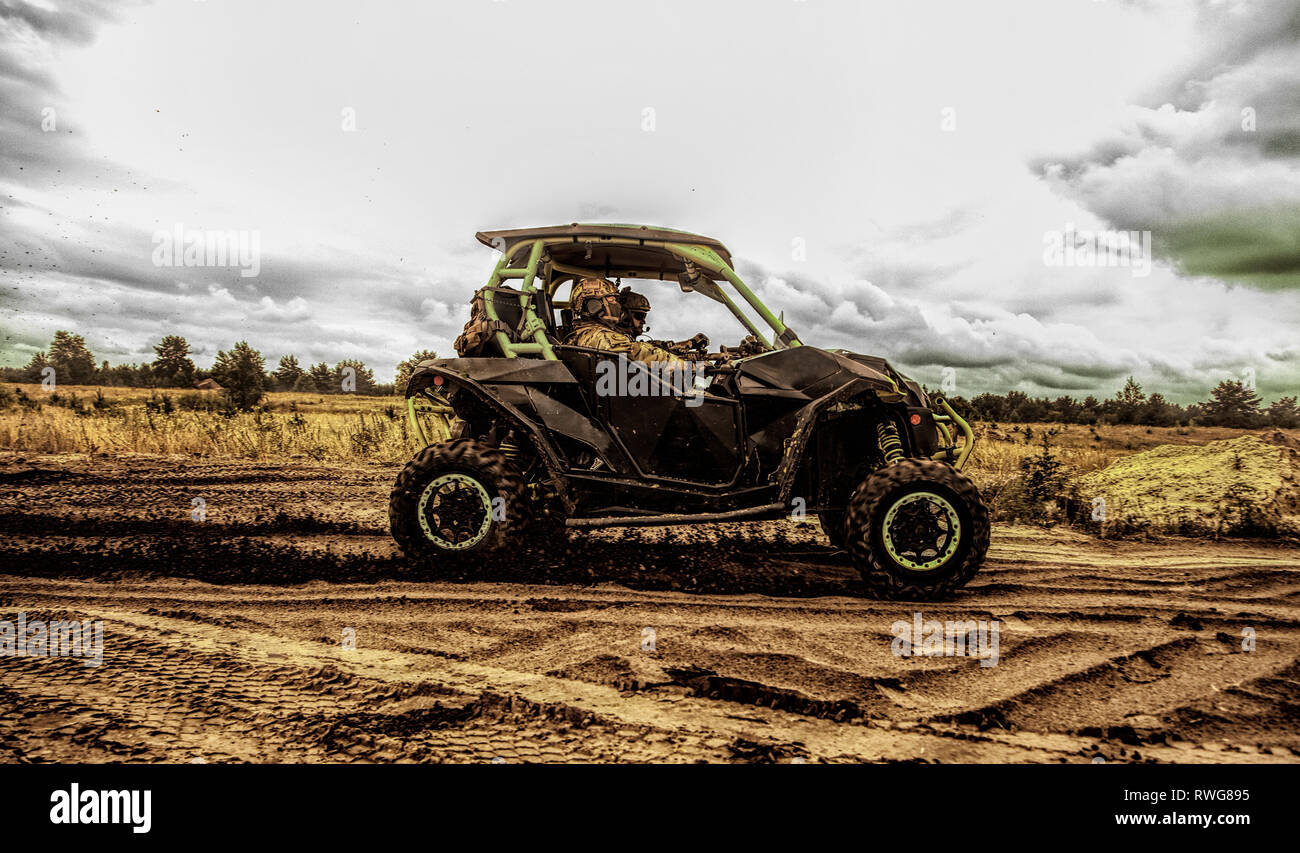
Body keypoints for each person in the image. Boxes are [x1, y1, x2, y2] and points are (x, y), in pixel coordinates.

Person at [563, 279, 684, 364]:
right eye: (611, 299)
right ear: (593, 306)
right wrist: (688, 367)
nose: (617, 305)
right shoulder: (598, 336)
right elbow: (636, 352)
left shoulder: (588, 333)